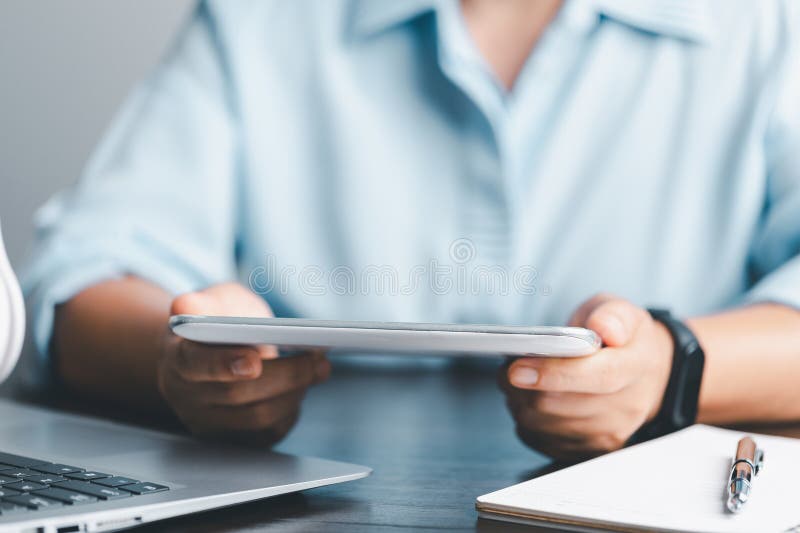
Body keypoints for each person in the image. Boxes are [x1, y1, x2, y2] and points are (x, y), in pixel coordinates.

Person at [24, 0, 800, 457]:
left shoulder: (766, 24)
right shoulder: (259, 19)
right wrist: (182, 359)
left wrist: (673, 368)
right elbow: (80, 278)